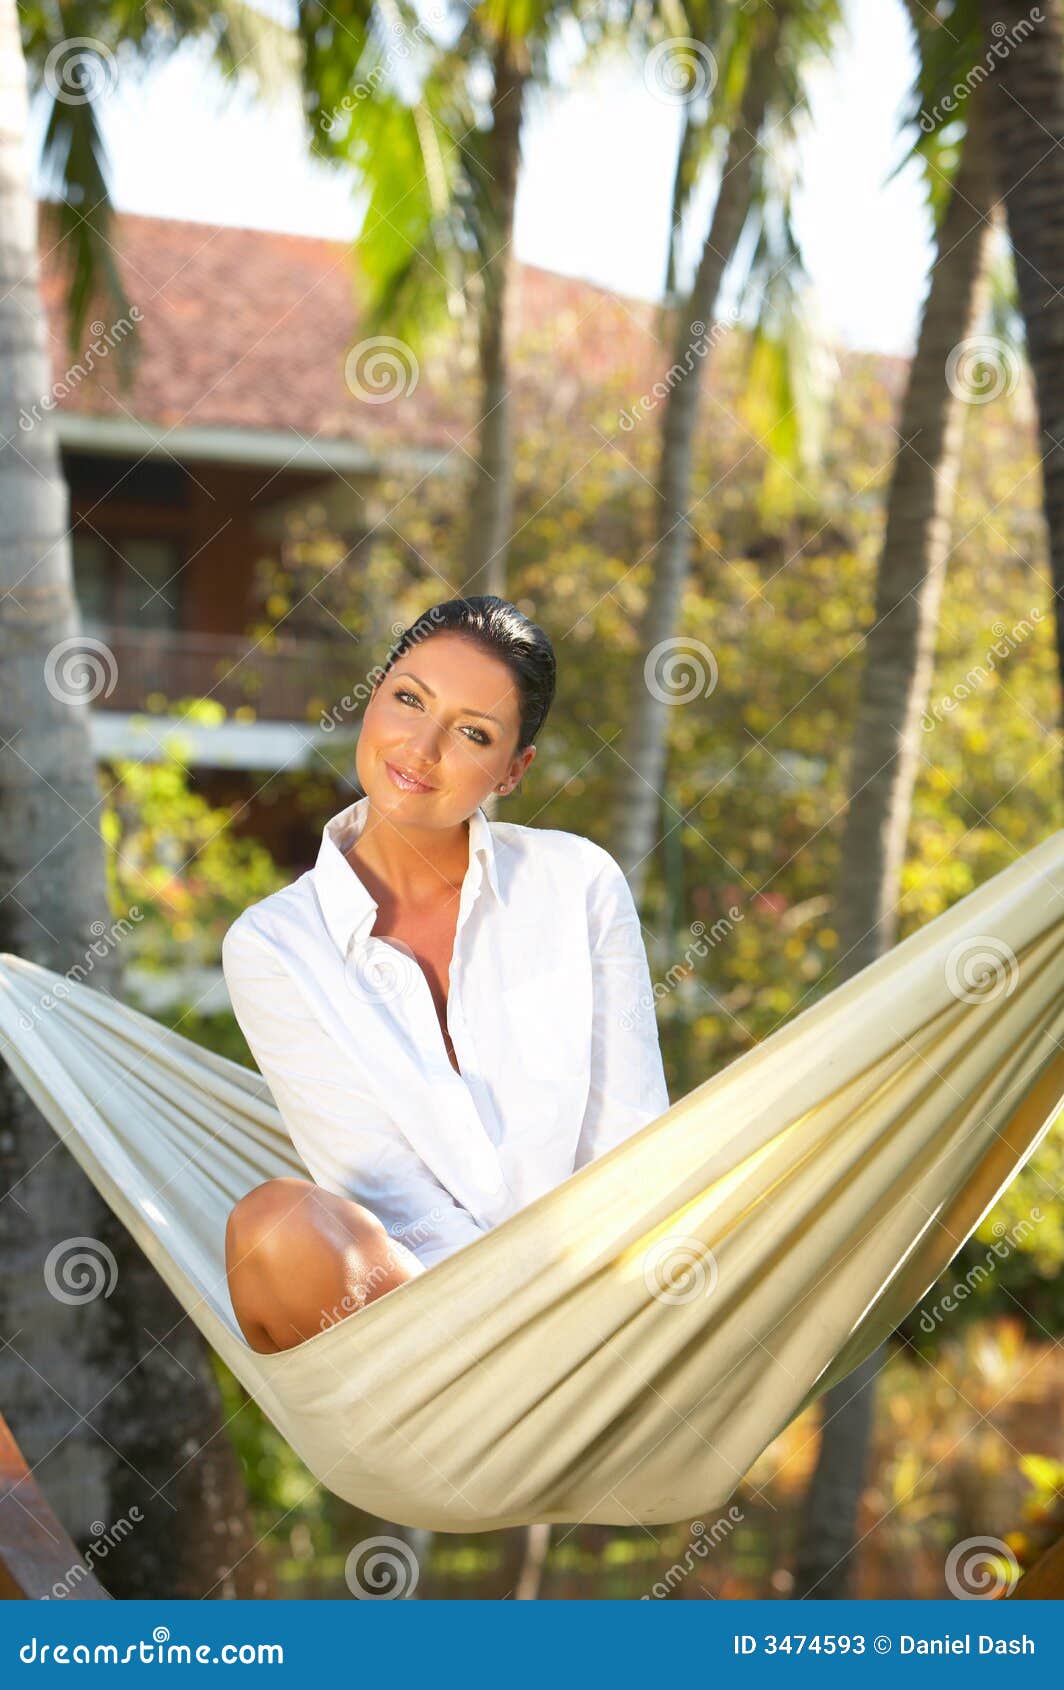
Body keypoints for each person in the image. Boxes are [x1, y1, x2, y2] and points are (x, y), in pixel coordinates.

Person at [222, 595, 669, 1353]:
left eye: (472, 732)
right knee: (274, 1230)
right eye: (408, 700)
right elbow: (392, 1199)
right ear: (373, 699)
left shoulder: (577, 883)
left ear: (512, 770)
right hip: (426, 1334)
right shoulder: (274, 945)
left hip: (602, 1312)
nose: (421, 748)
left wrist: (593, 1325)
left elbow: (631, 1140)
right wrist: (516, 1342)